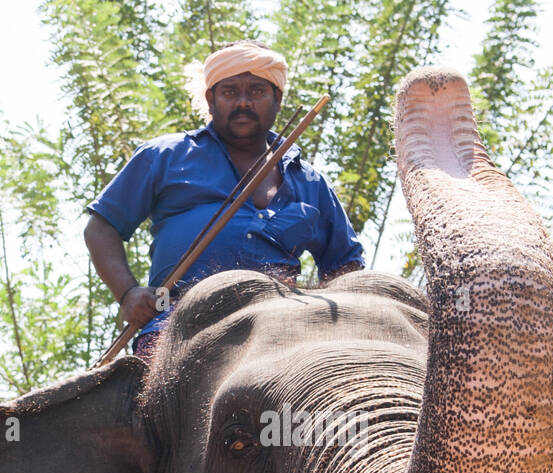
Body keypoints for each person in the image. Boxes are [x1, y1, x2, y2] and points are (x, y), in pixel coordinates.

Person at [83, 40, 366, 360]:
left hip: (283, 326)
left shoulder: (310, 181)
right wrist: (128, 293)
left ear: (277, 99)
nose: (243, 102)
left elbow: (347, 265)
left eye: (257, 91)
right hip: (174, 317)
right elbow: (100, 227)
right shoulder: (163, 156)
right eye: (230, 92)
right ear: (211, 100)